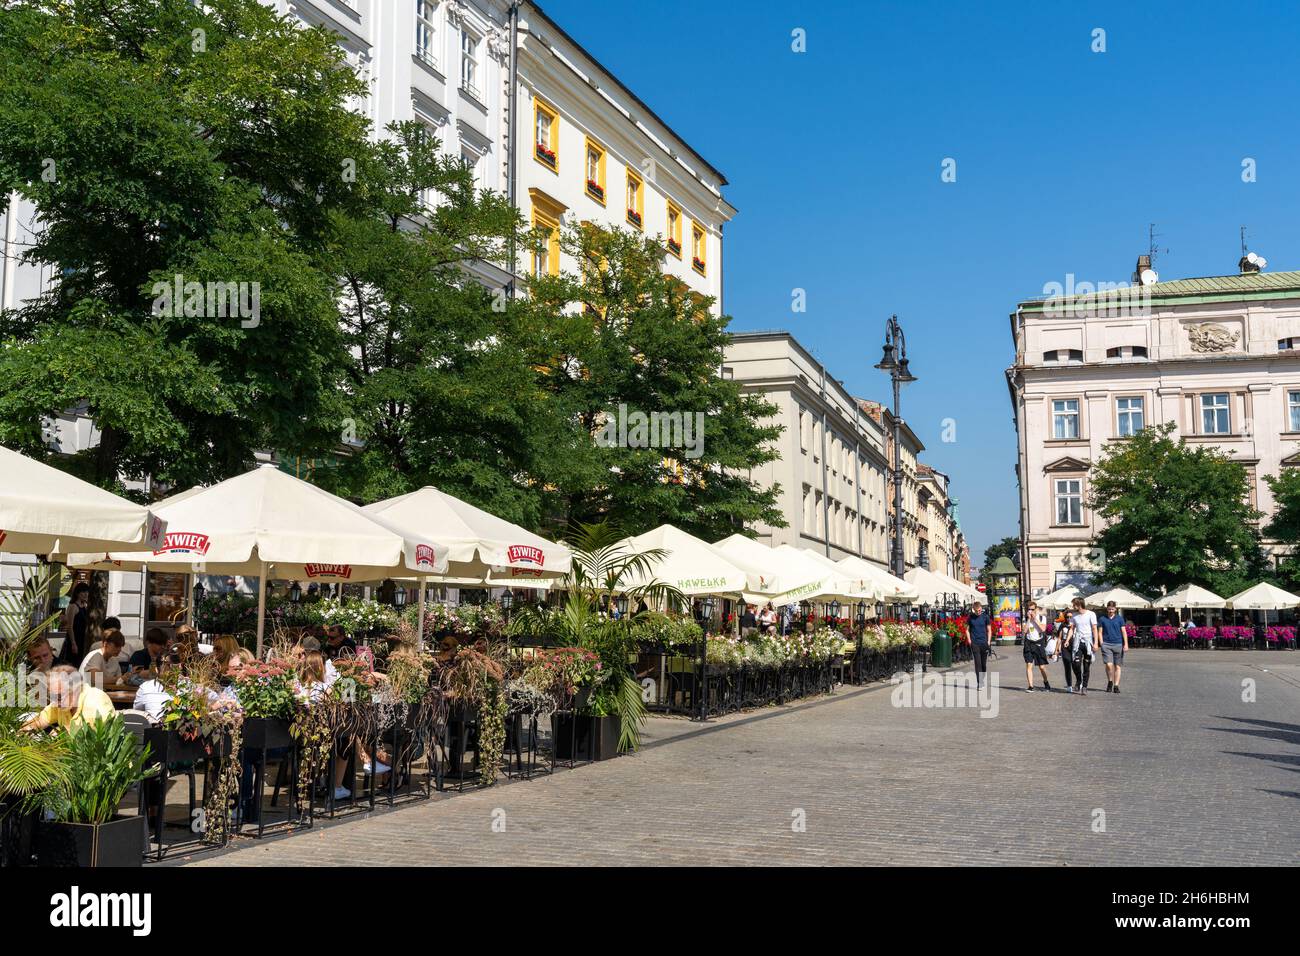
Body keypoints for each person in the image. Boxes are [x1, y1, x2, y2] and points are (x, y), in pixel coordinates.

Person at [21, 666, 115, 732]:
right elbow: (39, 721)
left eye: (58, 697)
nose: (54, 703)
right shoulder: (61, 701)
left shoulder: (93, 702)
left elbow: (88, 740)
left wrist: (58, 734)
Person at [1066, 597, 1097, 696]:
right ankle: (1079, 680)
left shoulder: (1091, 614)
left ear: (1079, 604)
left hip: (1088, 642)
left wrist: (1096, 643)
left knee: (1086, 666)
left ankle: (1084, 686)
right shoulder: (1074, 616)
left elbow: (1094, 629)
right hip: (1078, 642)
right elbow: (1072, 629)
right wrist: (1067, 640)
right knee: (1076, 663)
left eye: (1074, 604)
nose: (1073, 606)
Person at [1097, 600, 1129, 693]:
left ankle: (1116, 685)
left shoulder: (1119, 619)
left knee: (1117, 666)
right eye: (1109, 609)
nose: (1111, 611)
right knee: (1109, 665)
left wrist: (1126, 644)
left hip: (1118, 644)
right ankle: (1110, 681)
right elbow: (1100, 632)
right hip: (1106, 644)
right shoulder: (1102, 619)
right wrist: (1101, 643)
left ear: (1115, 609)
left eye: (1112, 609)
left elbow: (1124, 631)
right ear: (1107, 609)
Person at [1022, 600, 1052, 692]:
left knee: (1041, 667)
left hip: (1038, 643)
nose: (1031, 611)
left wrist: (1035, 619)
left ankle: (1046, 682)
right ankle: (1031, 686)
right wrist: (1028, 619)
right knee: (1029, 665)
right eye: (1029, 609)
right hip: (1028, 643)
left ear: (1036, 609)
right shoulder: (1025, 618)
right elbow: (1025, 630)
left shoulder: (1042, 618)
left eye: (1032, 609)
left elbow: (1043, 629)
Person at [59, 582, 90, 667]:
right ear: (77, 593)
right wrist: (73, 643)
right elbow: (70, 626)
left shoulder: (84, 606)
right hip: (75, 639)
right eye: (83, 592)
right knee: (72, 664)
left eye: (87, 592)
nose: (86, 594)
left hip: (82, 639)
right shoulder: (73, 606)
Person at [968, 601, 993, 689]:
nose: (978, 612)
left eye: (979, 610)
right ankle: (980, 683)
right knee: (977, 663)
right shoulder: (970, 617)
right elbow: (967, 629)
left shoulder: (985, 617)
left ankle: (982, 678)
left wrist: (989, 641)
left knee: (983, 664)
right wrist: (969, 640)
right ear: (973, 610)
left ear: (981, 609)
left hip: (984, 643)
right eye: (976, 611)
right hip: (975, 643)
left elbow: (989, 630)